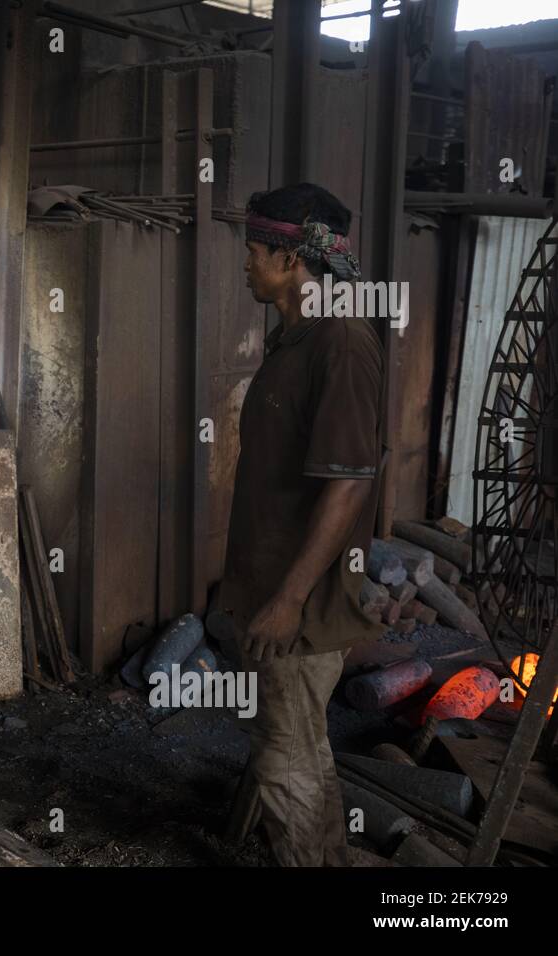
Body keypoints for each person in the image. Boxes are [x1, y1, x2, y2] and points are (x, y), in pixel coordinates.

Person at [217, 182, 386, 866]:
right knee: (303, 753)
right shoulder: (300, 335)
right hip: (279, 589)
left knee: (285, 762)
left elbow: (347, 484)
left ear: (291, 259)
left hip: (301, 604)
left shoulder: (340, 342)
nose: (246, 264)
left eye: (255, 251)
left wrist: (286, 601)